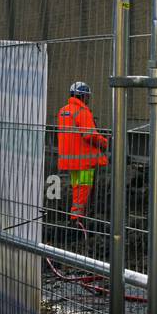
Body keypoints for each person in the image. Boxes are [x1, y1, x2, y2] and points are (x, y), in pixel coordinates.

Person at [57, 81, 108, 227]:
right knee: (83, 189)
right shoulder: (82, 111)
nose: (88, 99)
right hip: (84, 161)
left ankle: (76, 217)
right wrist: (104, 142)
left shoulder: (63, 111)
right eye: (88, 96)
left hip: (70, 160)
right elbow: (89, 135)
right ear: (84, 96)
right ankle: (77, 221)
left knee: (77, 187)